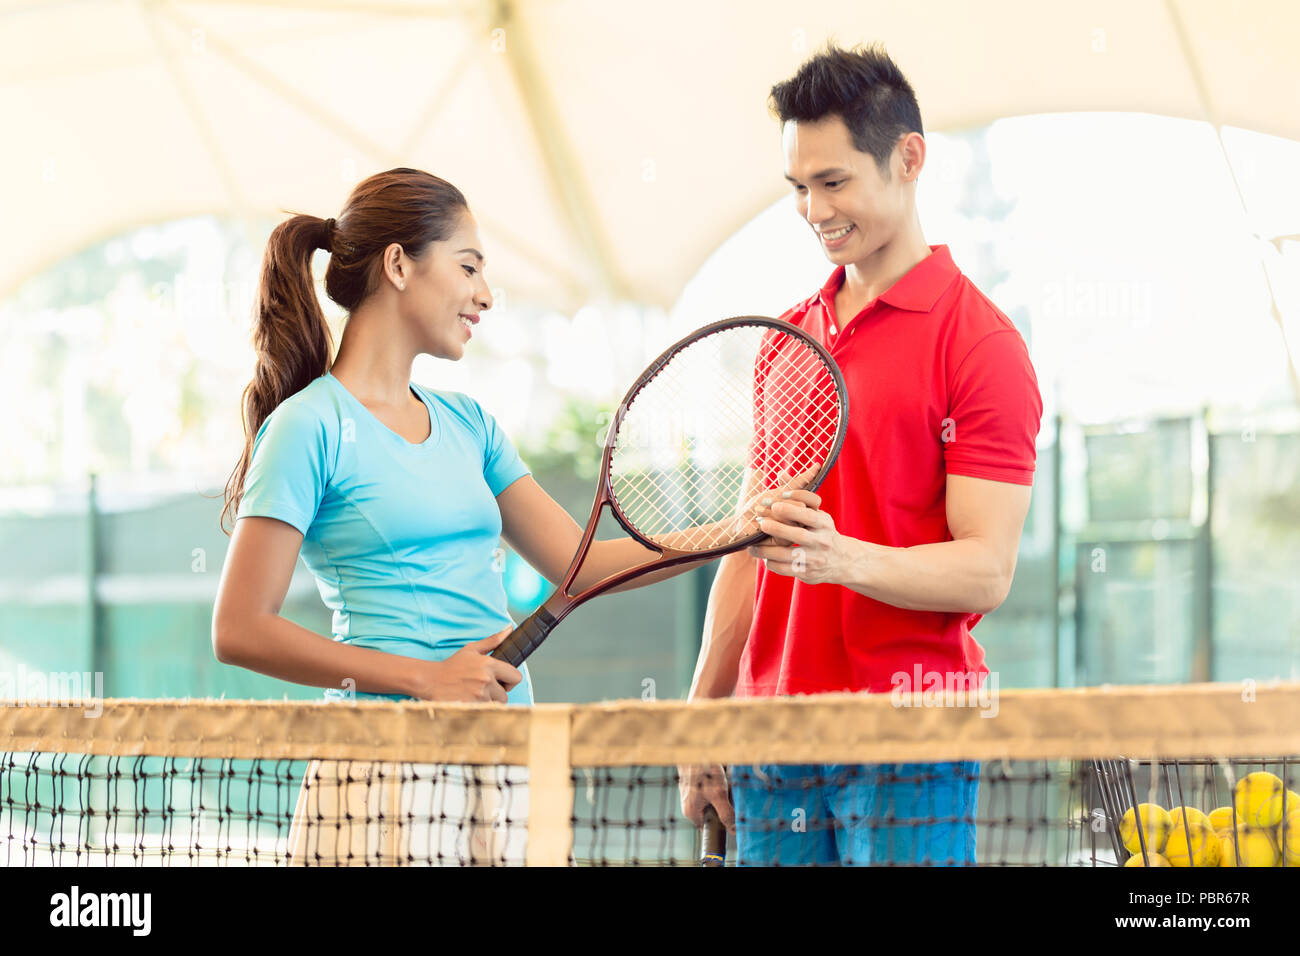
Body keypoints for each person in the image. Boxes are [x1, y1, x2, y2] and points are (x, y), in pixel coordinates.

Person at [209, 167, 740, 863]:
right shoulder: (307, 428)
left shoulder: (471, 425)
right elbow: (239, 628)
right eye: (468, 267)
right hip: (388, 770)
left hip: (506, 756)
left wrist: (738, 530)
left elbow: (582, 569)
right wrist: (423, 679)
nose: (485, 295)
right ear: (398, 265)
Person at [679, 44, 1044, 866]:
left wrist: (839, 557)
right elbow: (748, 550)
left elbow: (986, 568)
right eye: (798, 187)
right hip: (772, 741)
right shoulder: (783, 341)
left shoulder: (981, 345)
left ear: (908, 158)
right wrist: (701, 714)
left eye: (833, 181)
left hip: (910, 739)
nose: (813, 208)